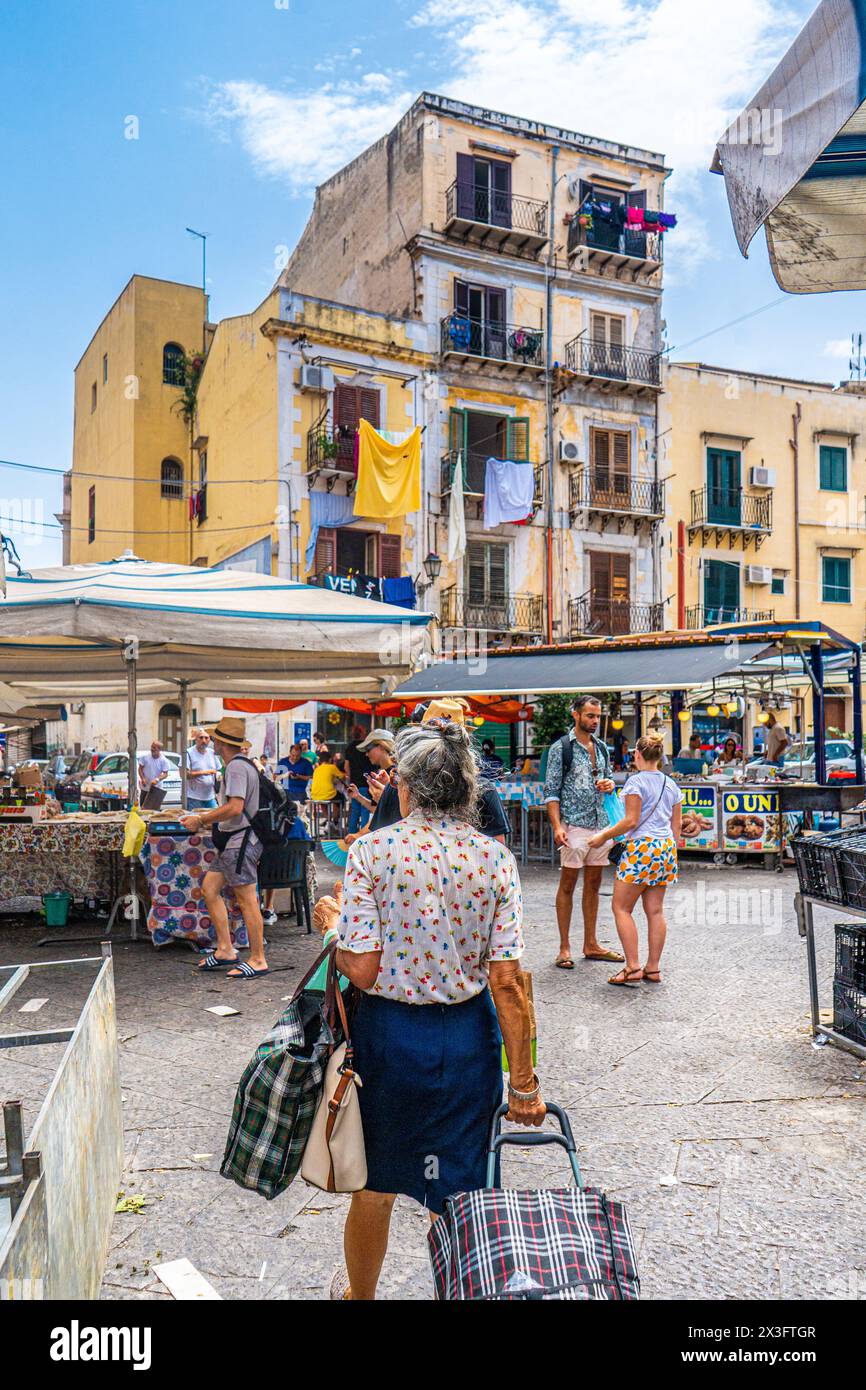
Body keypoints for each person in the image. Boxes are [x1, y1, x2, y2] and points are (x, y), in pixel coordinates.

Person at [330, 720, 544, 1302]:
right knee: (457, 1194)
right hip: (468, 1043)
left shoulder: (372, 852)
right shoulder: (495, 857)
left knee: (374, 1186)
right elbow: (508, 981)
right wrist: (522, 1084)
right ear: (466, 788)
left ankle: (361, 1298)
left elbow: (363, 968)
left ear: (405, 785)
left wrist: (334, 932)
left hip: (390, 1040)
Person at [587, 732, 683, 987]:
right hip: (665, 850)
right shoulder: (671, 785)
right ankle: (653, 968)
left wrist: (602, 836)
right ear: (660, 757)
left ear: (637, 755)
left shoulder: (635, 783)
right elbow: (677, 827)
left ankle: (632, 967)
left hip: (641, 848)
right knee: (655, 911)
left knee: (621, 908)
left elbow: (630, 820)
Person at [180, 716, 269, 981]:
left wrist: (202, 819)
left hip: (241, 841)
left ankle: (258, 959)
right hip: (235, 840)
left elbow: (235, 807)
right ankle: (225, 949)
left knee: (247, 899)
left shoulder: (236, 768)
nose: (212, 742)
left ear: (221, 742)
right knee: (209, 888)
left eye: (215, 738)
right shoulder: (237, 765)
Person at [544, 695, 624, 970]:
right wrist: (557, 826)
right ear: (576, 715)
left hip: (600, 824)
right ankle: (564, 947)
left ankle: (591, 943)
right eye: (590, 715)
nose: (595, 721)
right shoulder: (561, 748)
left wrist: (608, 785)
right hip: (574, 823)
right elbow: (551, 791)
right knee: (567, 884)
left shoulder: (601, 747)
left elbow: (610, 778)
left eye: (597, 716)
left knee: (594, 884)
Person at [345, 730, 399, 841]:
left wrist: (359, 835)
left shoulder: (396, 773)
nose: (366, 754)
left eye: (368, 749)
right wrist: (358, 796)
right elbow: (377, 809)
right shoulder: (381, 773)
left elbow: (385, 813)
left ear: (381, 746)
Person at [342, 724, 373, 835]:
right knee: (365, 809)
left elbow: (346, 767)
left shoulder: (349, 747)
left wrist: (350, 780)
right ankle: (363, 835)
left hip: (354, 783)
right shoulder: (366, 747)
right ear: (362, 733)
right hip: (365, 782)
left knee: (355, 810)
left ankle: (351, 834)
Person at [186, 728, 219, 811]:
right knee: (195, 821)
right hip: (194, 797)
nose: (204, 741)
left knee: (215, 821)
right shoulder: (188, 753)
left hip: (210, 796)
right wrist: (206, 772)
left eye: (206, 738)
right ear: (195, 739)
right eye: (201, 738)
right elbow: (185, 775)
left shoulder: (212, 753)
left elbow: (218, 771)